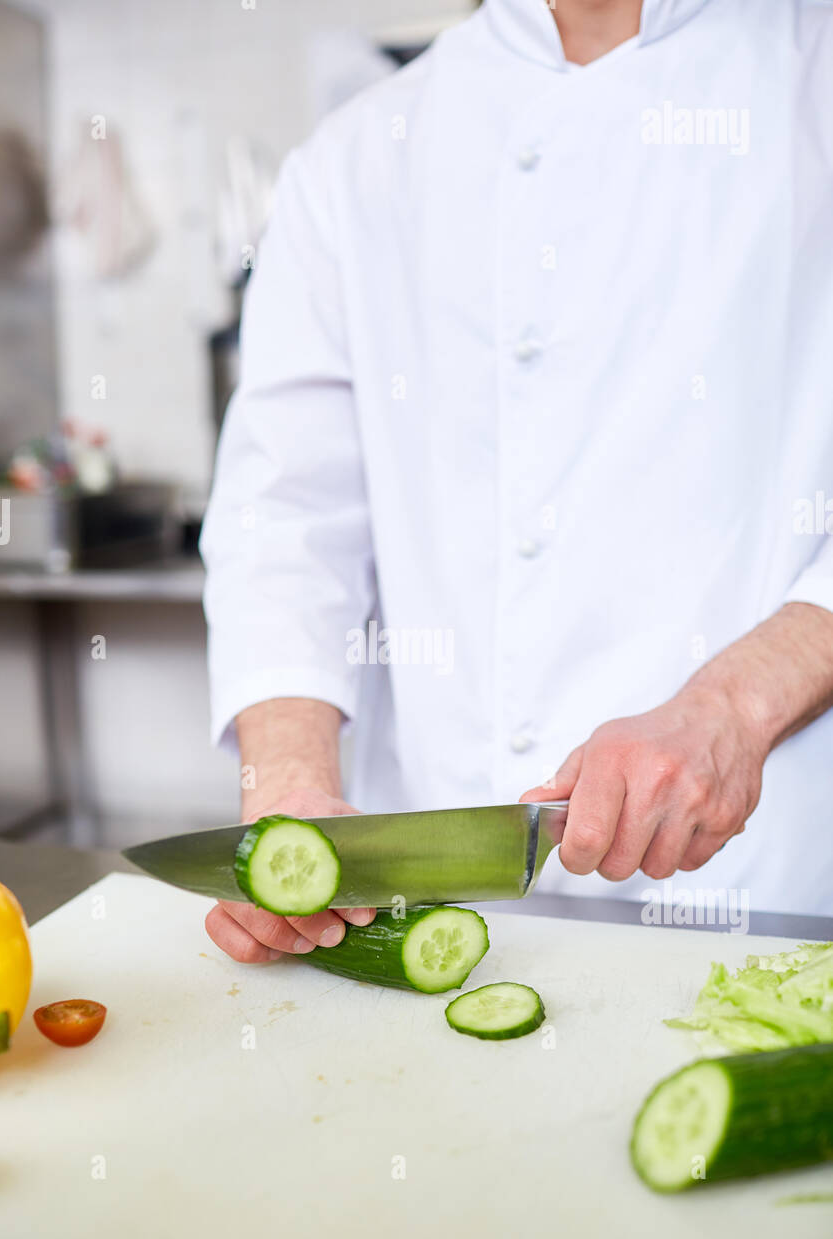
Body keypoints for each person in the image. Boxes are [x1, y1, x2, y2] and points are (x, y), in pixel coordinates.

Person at [200, 0, 833, 963]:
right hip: (433, 909)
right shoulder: (353, 157)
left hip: (767, 897)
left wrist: (734, 709)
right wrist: (287, 785)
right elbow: (282, 517)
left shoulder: (809, 76)